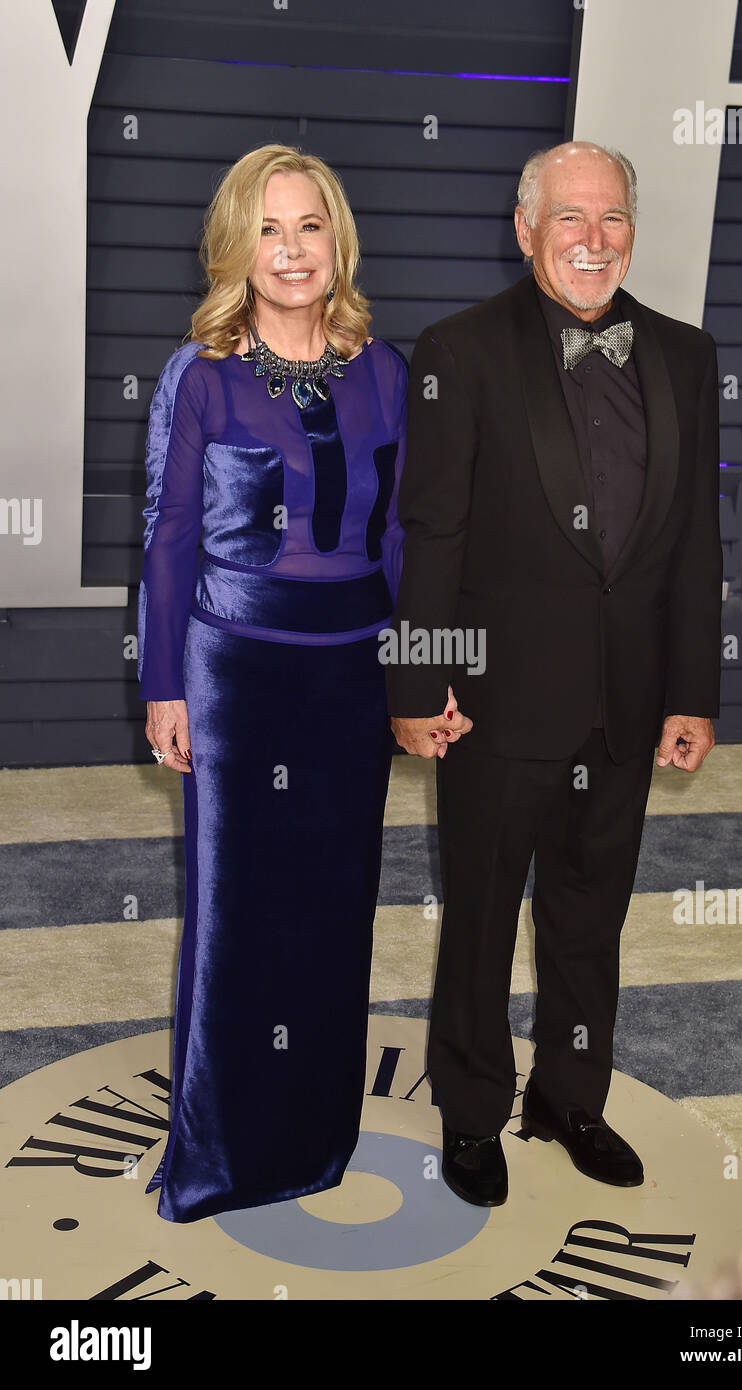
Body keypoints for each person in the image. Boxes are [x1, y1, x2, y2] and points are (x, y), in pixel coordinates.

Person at [387, 141, 722, 1207]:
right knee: (482, 918)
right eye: (568, 218)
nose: (592, 238)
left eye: (611, 217)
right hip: (495, 702)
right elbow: (428, 533)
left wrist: (691, 690)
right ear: (524, 228)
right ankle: (473, 1108)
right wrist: (411, 685)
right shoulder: (457, 350)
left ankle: (571, 1098)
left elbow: (695, 544)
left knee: (590, 917)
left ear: (632, 227)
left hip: (626, 703)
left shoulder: (683, 354)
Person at [137, 143, 465, 1223]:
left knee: (333, 912)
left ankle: (314, 1140)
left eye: (309, 227)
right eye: (269, 230)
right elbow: (171, 531)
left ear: (337, 241)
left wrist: (421, 684)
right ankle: (222, 1153)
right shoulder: (204, 372)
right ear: (240, 244)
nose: (291, 251)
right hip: (235, 672)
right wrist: (166, 683)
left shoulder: (382, 366)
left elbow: (407, 544)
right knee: (236, 915)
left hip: (350, 679)